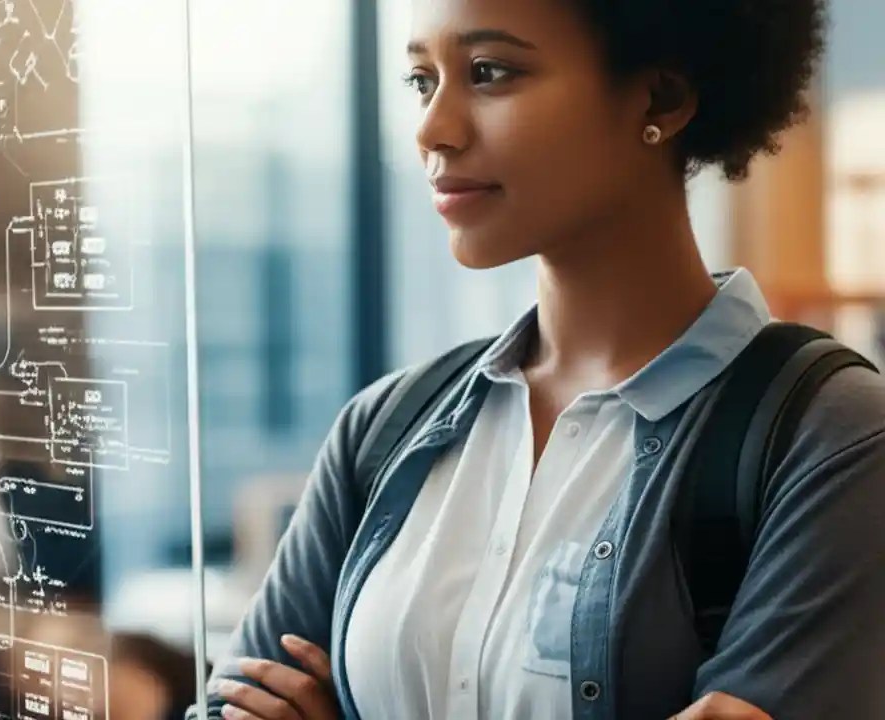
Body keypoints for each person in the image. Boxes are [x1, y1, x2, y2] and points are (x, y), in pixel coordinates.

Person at [193, 0, 885, 718]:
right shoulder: (383, 428)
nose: (433, 129)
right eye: (421, 81)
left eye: (489, 73)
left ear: (662, 97)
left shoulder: (830, 436)